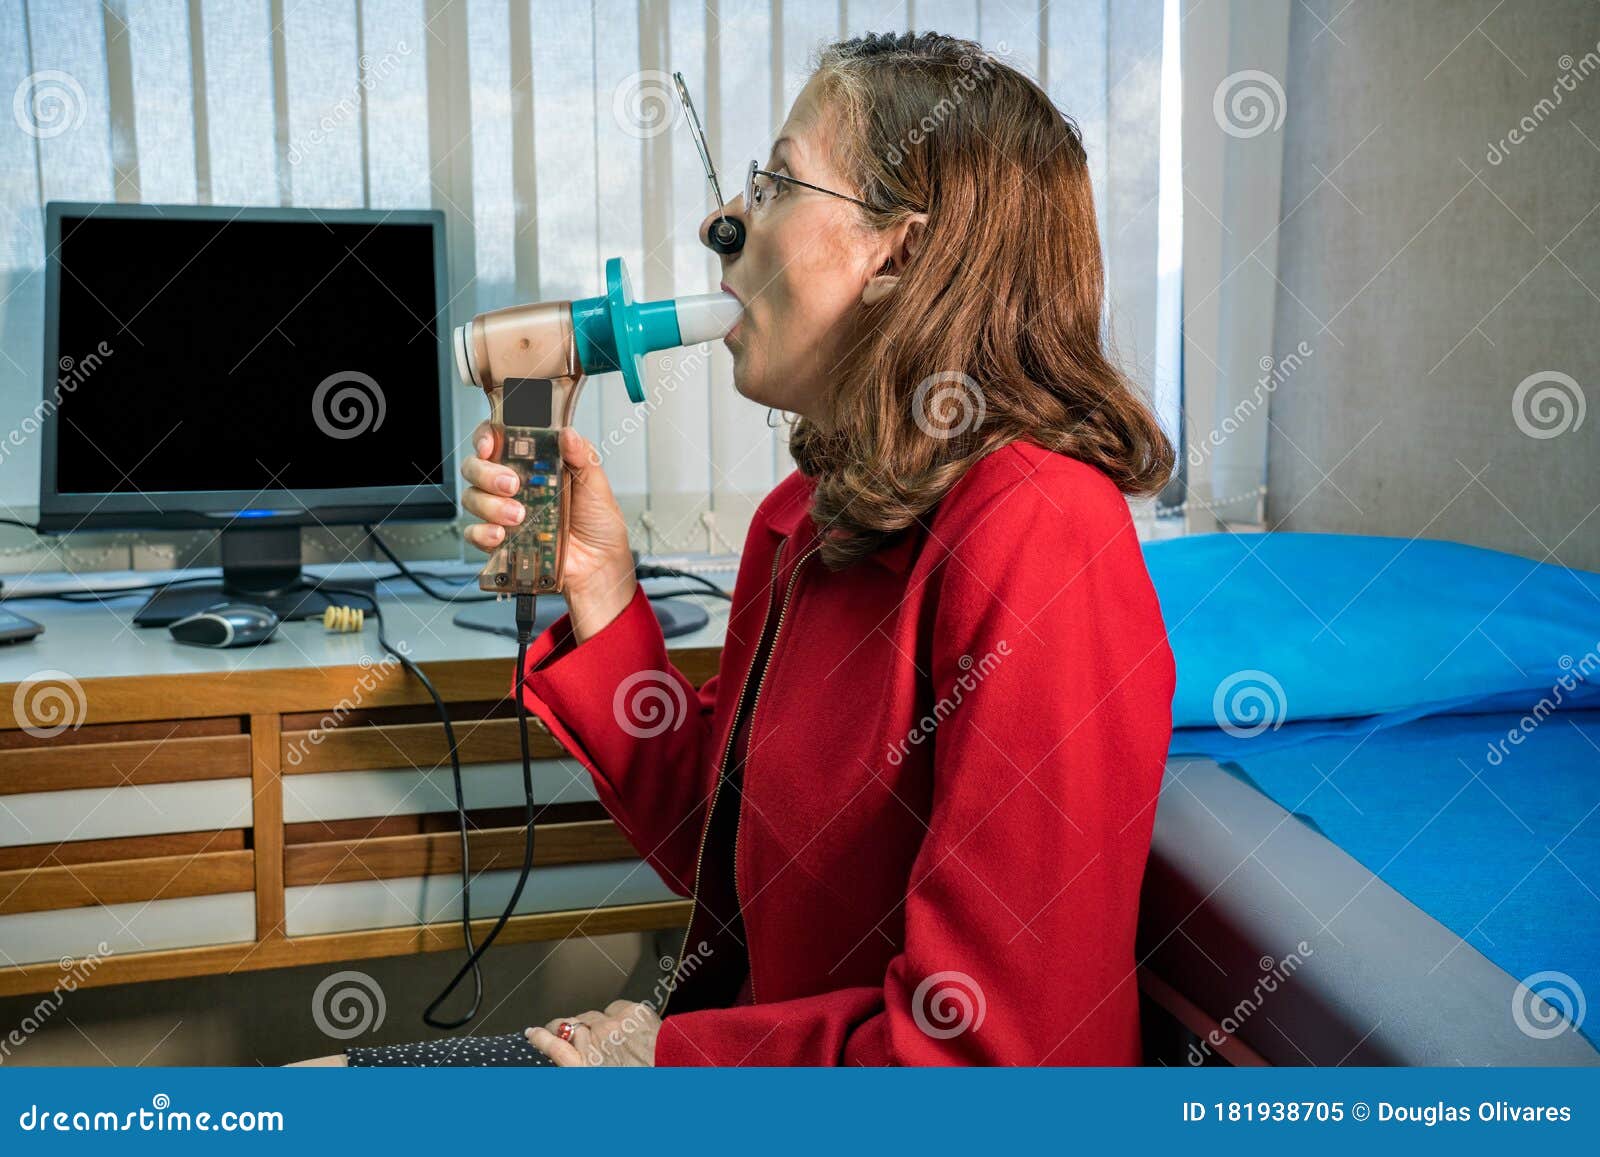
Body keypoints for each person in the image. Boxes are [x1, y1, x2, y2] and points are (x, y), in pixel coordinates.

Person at [299, 28, 1175, 1068]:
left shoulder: (1040, 529)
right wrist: (601, 583)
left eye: (773, 185)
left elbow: (996, 1050)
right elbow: (721, 839)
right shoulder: (804, 515)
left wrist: (666, 1062)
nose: (723, 225)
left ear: (898, 250)